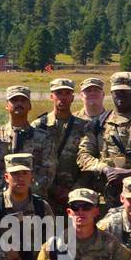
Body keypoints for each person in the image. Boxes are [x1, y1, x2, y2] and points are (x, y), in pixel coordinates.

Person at [77, 71, 131, 209]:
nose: (121, 96)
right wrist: (105, 169)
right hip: (105, 195)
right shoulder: (99, 123)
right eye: (117, 92)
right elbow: (83, 155)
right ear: (111, 94)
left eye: (126, 92)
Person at [0, 86, 56, 200]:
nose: (19, 103)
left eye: (23, 100)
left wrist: (25, 191)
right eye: (14, 100)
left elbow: (48, 170)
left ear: (30, 106)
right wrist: (8, 189)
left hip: (34, 199)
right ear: (7, 105)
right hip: (2, 199)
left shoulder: (43, 137)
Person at [34, 77, 91, 212]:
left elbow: (89, 161)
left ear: (72, 97)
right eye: (59, 93)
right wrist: (51, 188)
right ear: (51, 96)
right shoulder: (39, 126)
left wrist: (75, 190)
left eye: (67, 93)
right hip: (44, 193)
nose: (63, 97)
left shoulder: (83, 127)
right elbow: (32, 161)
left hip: (75, 197)